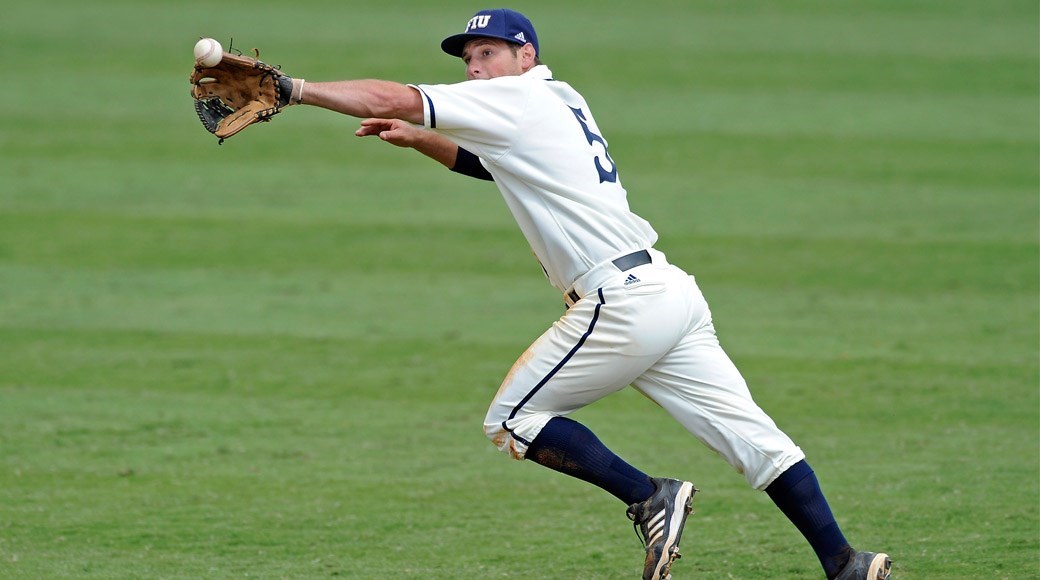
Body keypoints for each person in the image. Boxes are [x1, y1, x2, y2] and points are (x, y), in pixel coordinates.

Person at [280, 8, 891, 579]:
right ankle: (845, 563)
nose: (474, 68)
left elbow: (396, 96)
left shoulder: (514, 96)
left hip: (620, 301)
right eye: (467, 58)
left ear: (526, 56)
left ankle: (651, 495)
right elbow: (495, 166)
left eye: (488, 53)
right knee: (758, 443)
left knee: (513, 419)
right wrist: (423, 140)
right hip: (670, 294)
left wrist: (294, 89)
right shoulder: (559, 98)